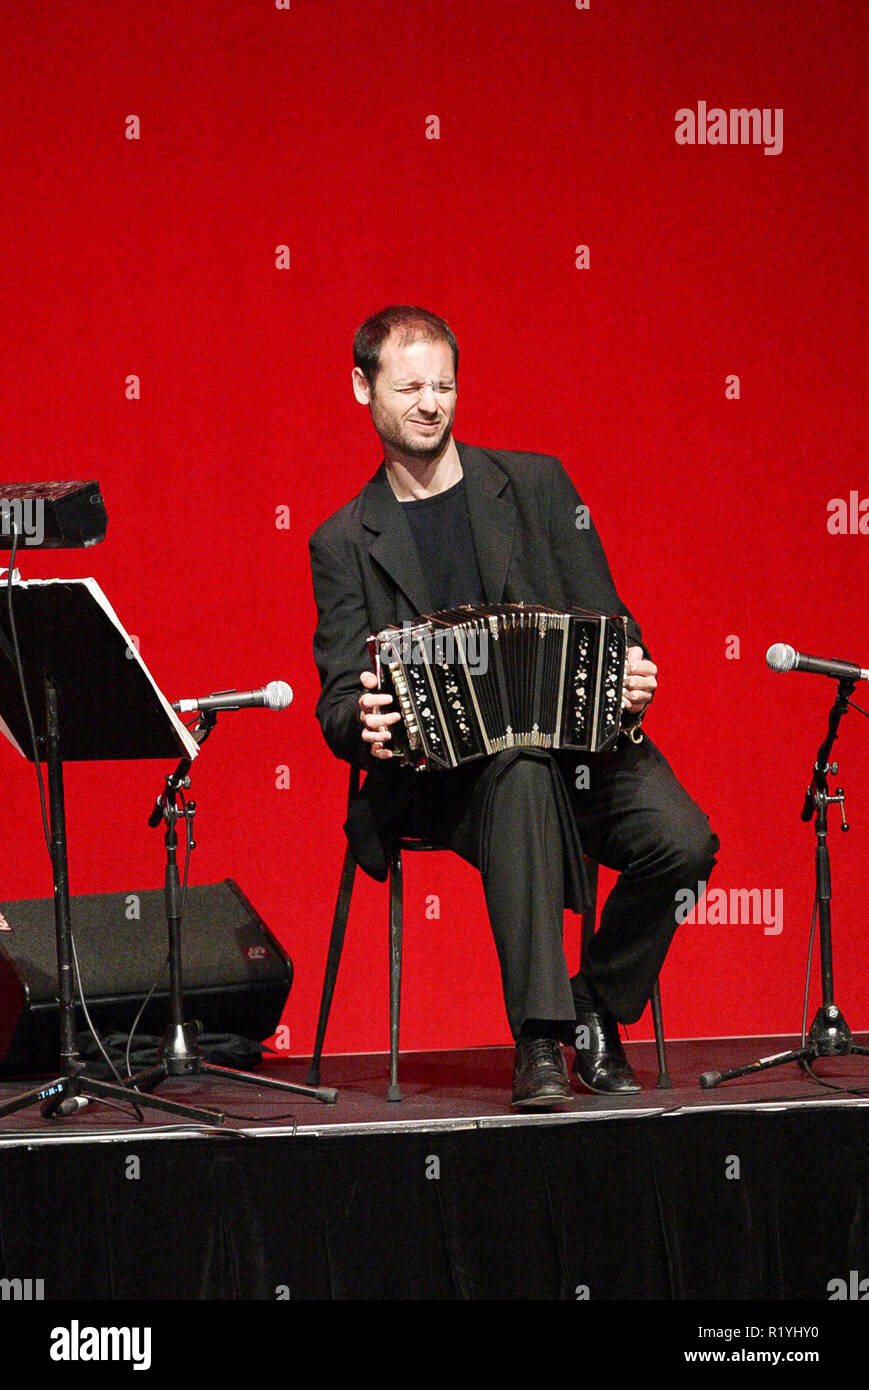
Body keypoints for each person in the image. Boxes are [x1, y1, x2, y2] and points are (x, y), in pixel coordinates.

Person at [309, 305, 719, 1107]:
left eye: (444, 385)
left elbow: (611, 622)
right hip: (445, 776)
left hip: (585, 750)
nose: (431, 403)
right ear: (362, 389)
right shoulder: (343, 540)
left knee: (684, 842)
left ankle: (593, 1001)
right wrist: (363, 725)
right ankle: (540, 1040)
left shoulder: (535, 485)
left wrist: (631, 670)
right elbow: (334, 695)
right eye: (410, 387)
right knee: (521, 767)